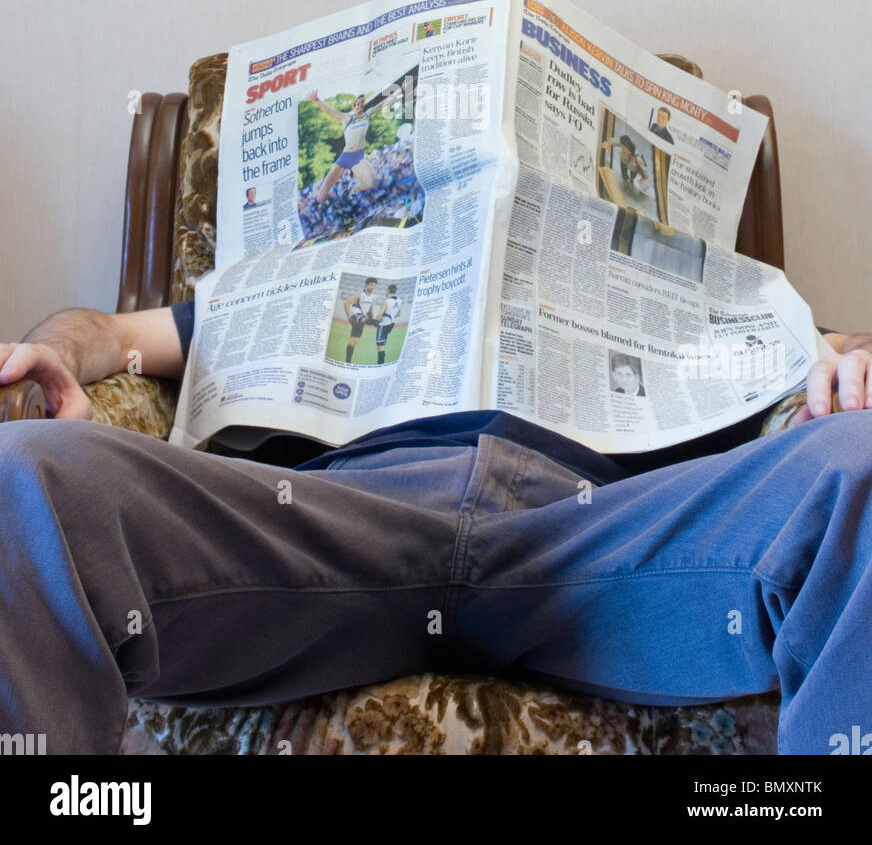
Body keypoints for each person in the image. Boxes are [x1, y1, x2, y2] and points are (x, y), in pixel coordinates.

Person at [0, 304, 871, 756]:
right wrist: (55, 354)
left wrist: (857, 361)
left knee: (864, 460)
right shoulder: (302, 269)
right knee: (21, 472)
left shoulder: (685, 271)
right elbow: (109, 331)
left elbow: (835, 350)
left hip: (603, 532)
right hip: (322, 526)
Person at [343, 278, 379, 363]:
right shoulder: (360, 295)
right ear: (366, 285)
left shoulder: (373, 297)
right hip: (356, 314)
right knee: (363, 319)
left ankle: (348, 361)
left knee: (354, 342)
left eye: (374, 285)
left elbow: (371, 309)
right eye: (371, 285)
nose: (373, 287)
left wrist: (373, 318)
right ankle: (377, 323)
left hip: (363, 317)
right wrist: (348, 316)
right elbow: (346, 303)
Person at [374, 285, 402, 365]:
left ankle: (380, 363)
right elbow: (399, 313)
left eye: (386, 290)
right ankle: (381, 362)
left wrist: (375, 321)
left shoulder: (387, 301)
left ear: (388, 290)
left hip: (383, 324)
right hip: (391, 324)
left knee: (380, 345)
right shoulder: (399, 300)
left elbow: (380, 313)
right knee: (382, 343)